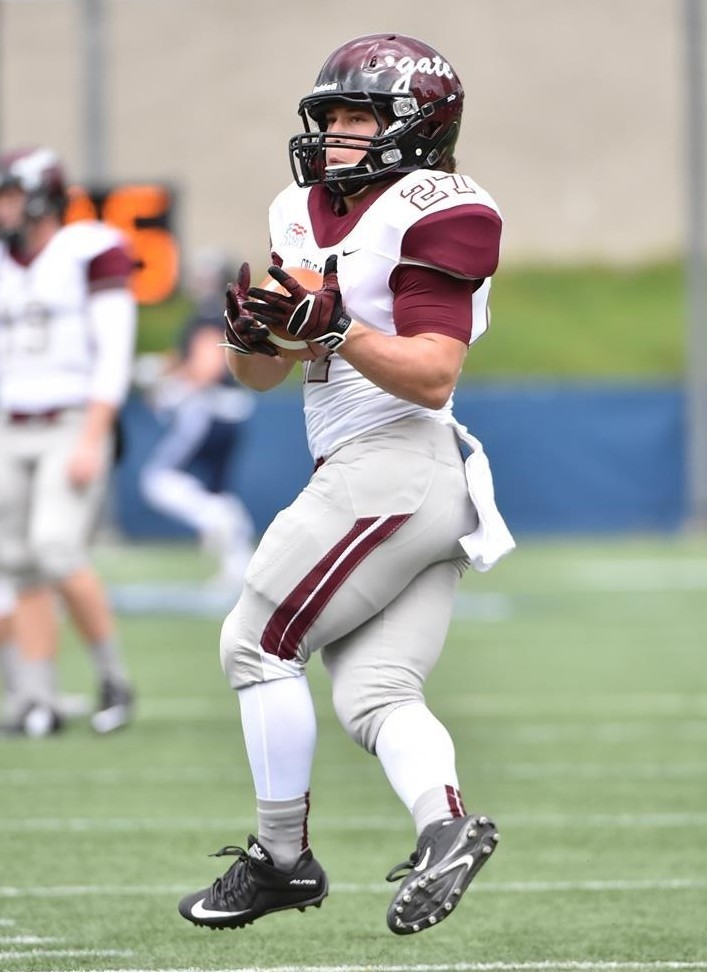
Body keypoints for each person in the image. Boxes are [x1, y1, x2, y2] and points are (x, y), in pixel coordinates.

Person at [178, 33, 515, 936]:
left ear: (414, 126)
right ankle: (446, 828)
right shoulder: (297, 208)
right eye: (327, 117)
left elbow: (433, 371)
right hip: (383, 475)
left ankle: (281, 858)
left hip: (397, 462)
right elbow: (265, 378)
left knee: (254, 642)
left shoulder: (444, 206)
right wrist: (256, 337)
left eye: (356, 117)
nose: (334, 134)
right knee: (375, 695)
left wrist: (331, 332)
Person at [0, 146, 137, 736]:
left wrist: (93, 434)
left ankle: (113, 678)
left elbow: (114, 350)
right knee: (17, 563)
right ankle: (36, 697)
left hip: (69, 420)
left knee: (56, 547)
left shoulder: (91, 249)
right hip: (9, 423)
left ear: (38, 197)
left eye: (9, 193)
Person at [138, 247, 256, 591]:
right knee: (219, 491)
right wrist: (163, 369)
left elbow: (207, 366)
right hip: (231, 412)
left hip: (208, 412)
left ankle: (216, 523)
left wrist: (169, 389)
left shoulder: (208, 315)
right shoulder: (228, 313)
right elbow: (189, 357)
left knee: (158, 480)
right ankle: (238, 566)